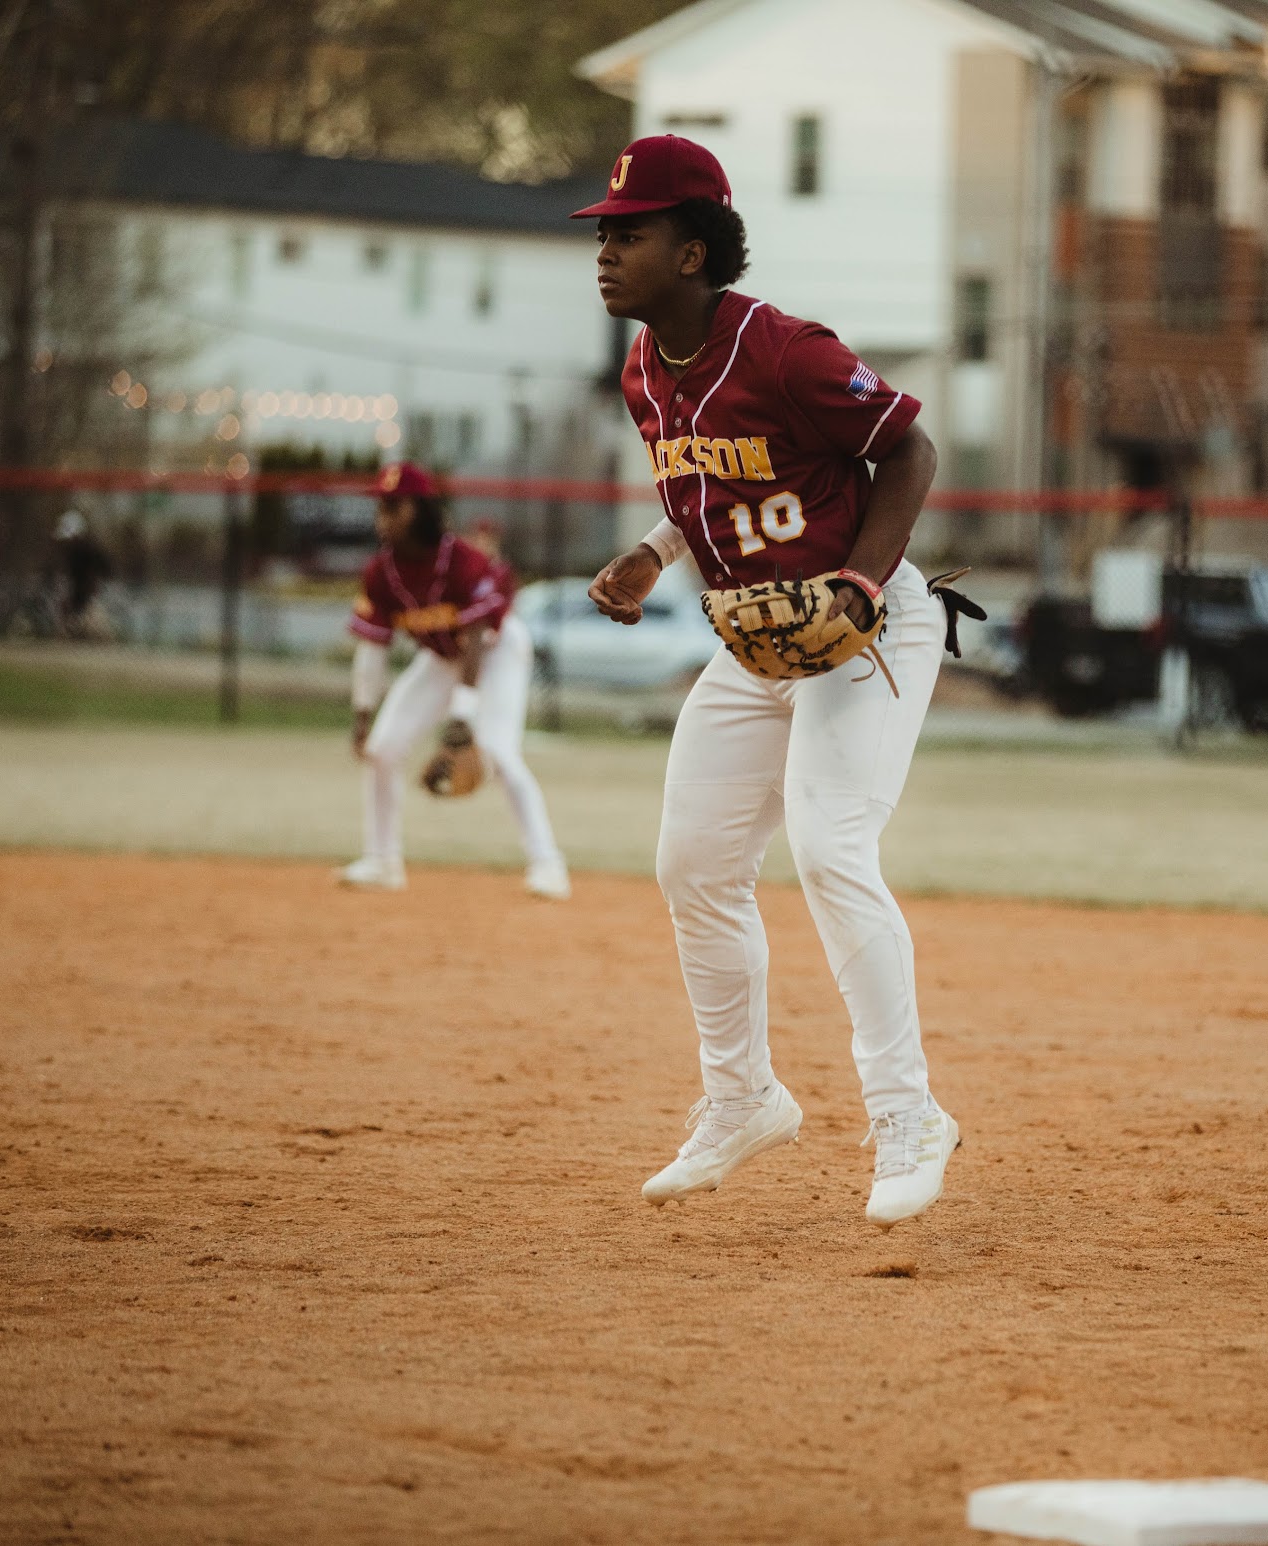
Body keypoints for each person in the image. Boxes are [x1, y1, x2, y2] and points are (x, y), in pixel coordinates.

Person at [576, 136, 960, 1228]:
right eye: (604, 233)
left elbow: (909, 451)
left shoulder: (784, 349)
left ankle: (909, 1117)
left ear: (692, 251)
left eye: (629, 233)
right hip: (758, 648)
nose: (606, 253)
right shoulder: (647, 370)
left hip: (867, 630)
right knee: (692, 862)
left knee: (831, 847)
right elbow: (716, 489)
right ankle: (742, 1098)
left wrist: (864, 580)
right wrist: (652, 551)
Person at [340, 461, 568, 900]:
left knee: (500, 753)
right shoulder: (381, 573)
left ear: (422, 508)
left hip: (497, 651)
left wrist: (463, 715)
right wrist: (363, 712)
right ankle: (382, 860)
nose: (383, 516)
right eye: (381, 507)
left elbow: (478, 639)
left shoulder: (462, 561)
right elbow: (372, 650)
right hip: (442, 658)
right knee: (382, 750)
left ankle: (548, 865)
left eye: (395, 506)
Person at [52, 510, 113, 640]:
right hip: (80, 599)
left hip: (93, 600)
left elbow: (99, 579)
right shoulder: (73, 554)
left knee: (96, 631)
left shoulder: (90, 553)